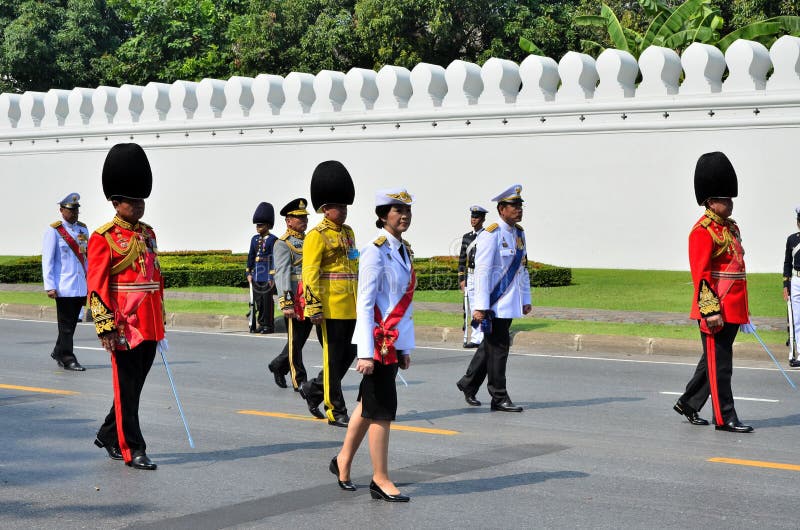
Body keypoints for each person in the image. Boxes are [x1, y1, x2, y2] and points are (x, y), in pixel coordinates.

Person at [330, 187, 414, 502]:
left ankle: (343, 460)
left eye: (407, 211)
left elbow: (402, 303)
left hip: (392, 343)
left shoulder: (404, 250)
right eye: (397, 210)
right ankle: (380, 478)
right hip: (377, 344)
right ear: (382, 216)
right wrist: (365, 353)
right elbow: (365, 304)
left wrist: (404, 347)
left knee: (368, 406)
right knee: (382, 411)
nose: (404, 216)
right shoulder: (374, 251)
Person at [88, 143, 165, 469]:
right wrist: (105, 327)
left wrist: (161, 318)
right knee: (127, 388)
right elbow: (97, 286)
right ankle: (133, 448)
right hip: (124, 325)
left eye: (141, 200)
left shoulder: (148, 234)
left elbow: (155, 278)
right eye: (132, 201)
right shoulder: (103, 237)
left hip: (149, 323)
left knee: (132, 388)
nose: (138, 205)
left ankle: (108, 433)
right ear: (115, 202)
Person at [673, 151, 753, 433]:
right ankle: (725, 417)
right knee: (721, 367)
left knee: (713, 361)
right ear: (710, 201)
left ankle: (689, 403)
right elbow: (702, 276)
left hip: (733, 307)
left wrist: (743, 311)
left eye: (730, 198)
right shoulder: (702, 231)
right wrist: (710, 311)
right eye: (724, 199)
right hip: (715, 309)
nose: (730, 203)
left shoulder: (730, 228)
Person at [456, 185, 531, 412]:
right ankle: (498, 396)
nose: (518, 209)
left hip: (510, 301)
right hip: (494, 303)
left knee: (490, 346)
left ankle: (468, 383)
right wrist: (480, 307)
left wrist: (525, 298)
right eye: (513, 206)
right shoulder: (491, 233)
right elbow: (482, 272)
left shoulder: (519, 233)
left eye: (520, 205)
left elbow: (523, 268)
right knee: (499, 349)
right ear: (501, 209)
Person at [298, 161, 358, 428]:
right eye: (339, 207)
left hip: (351, 305)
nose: (343, 211)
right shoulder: (316, 236)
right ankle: (336, 409)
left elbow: (354, 264)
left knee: (350, 354)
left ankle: (313, 390)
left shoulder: (348, 232)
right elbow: (310, 273)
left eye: (345, 207)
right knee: (333, 360)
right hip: (330, 308)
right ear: (325, 209)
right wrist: (313, 306)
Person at [267, 198, 321, 390]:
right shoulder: (283, 244)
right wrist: (287, 302)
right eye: (299, 218)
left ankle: (278, 365)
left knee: (299, 339)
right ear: (289, 221)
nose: (304, 220)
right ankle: (299, 380)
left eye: (305, 217)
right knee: (295, 340)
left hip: (310, 296)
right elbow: (282, 275)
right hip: (295, 298)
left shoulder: (310, 239)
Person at [42, 192, 89, 371]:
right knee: (66, 326)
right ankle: (68, 358)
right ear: (62, 210)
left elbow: (86, 258)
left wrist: (89, 281)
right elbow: (47, 260)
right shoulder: (54, 231)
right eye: (70, 210)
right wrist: (50, 286)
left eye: (76, 210)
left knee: (72, 323)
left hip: (80, 285)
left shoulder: (83, 230)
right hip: (63, 286)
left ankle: (58, 351)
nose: (74, 213)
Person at [458, 205, 488, 348]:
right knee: (471, 306)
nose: (473, 219)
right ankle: (476, 338)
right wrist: (461, 279)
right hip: (470, 275)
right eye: (472, 217)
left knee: (482, 305)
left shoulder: (488, 235)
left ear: (482, 219)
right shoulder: (467, 237)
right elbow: (462, 259)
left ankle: (484, 336)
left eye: (476, 217)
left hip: (482, 275)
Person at [247, 203, 278, 334]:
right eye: (257, 225)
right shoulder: (254, 239)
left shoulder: (273, 240)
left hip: (266, 275)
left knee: (267, 302)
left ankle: (268, 325)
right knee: (258, 301)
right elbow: (251, 256)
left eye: (261, 225)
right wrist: (248, 272)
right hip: (256, 275)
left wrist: (271, 276)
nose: (258, 227)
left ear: (268, 225)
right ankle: (260, 323)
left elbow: (274, 259)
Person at [782, 206, 800, 368]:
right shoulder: (792, 239)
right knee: (797, 319)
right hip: (796, 281)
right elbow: (787, 263)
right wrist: (785, 285)